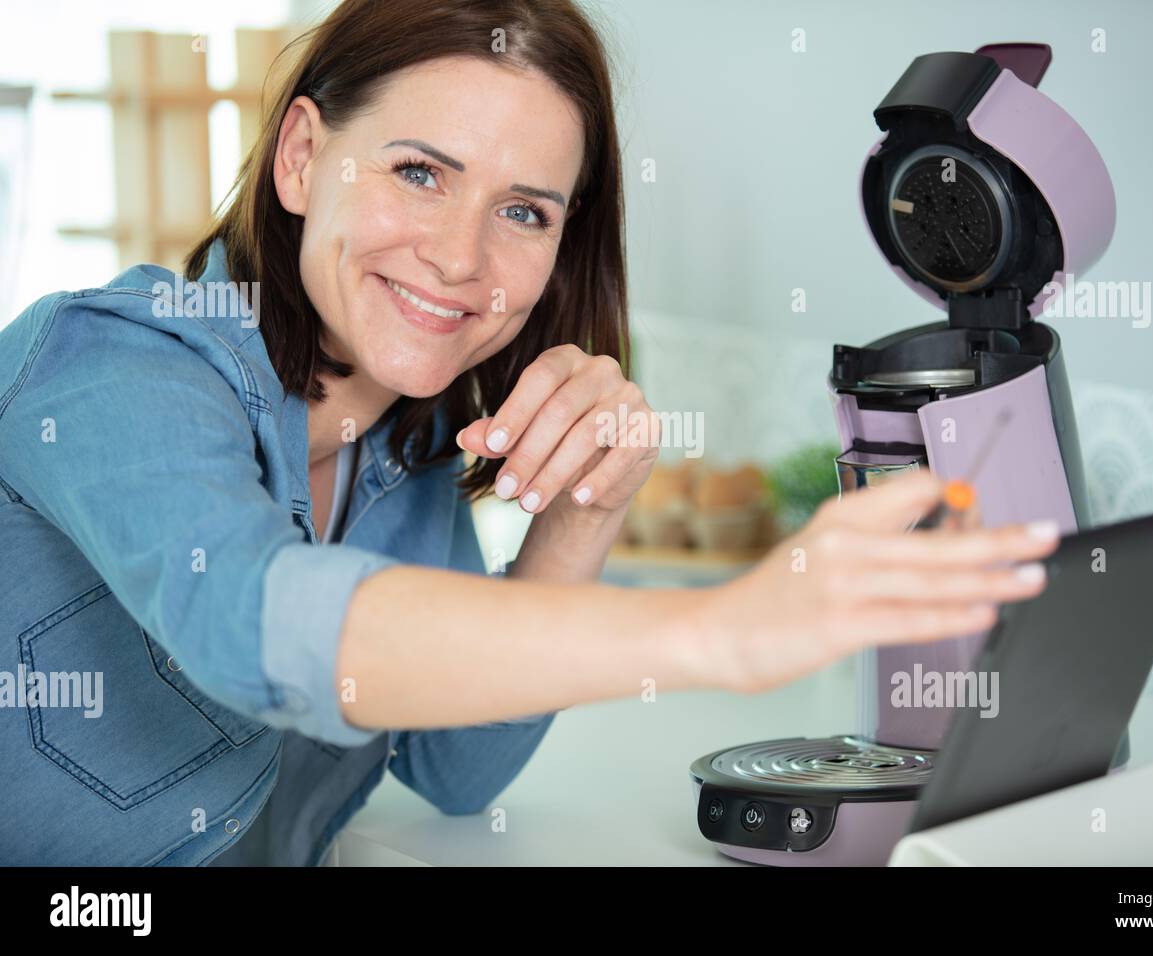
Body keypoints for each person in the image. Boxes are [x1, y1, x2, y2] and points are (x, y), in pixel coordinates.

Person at [0, 0, 1058, 865]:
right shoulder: (111, 366)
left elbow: (458, 773)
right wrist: (719, 631)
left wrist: (585, 509)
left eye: (524, 211)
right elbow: (250, 620)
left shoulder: (409, 451)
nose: (462, 257)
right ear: (301, 160)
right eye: (419, 171)